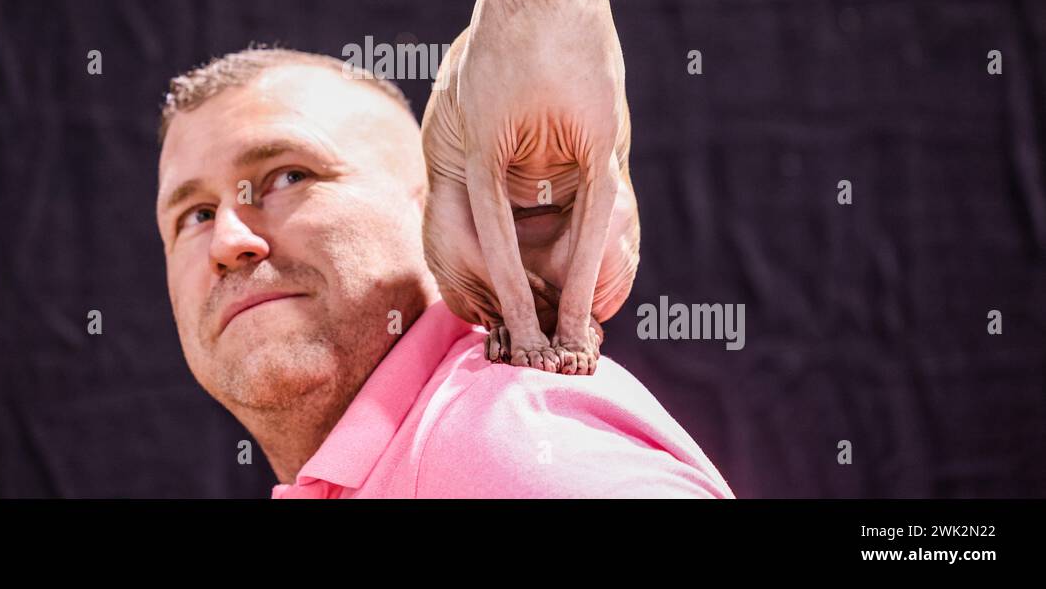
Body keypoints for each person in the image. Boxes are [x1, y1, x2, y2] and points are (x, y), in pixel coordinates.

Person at [155, 45, 735, 498]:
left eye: (288, 176)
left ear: (438, 208)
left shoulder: (506, 446)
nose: (228, 241)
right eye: (196, 214)